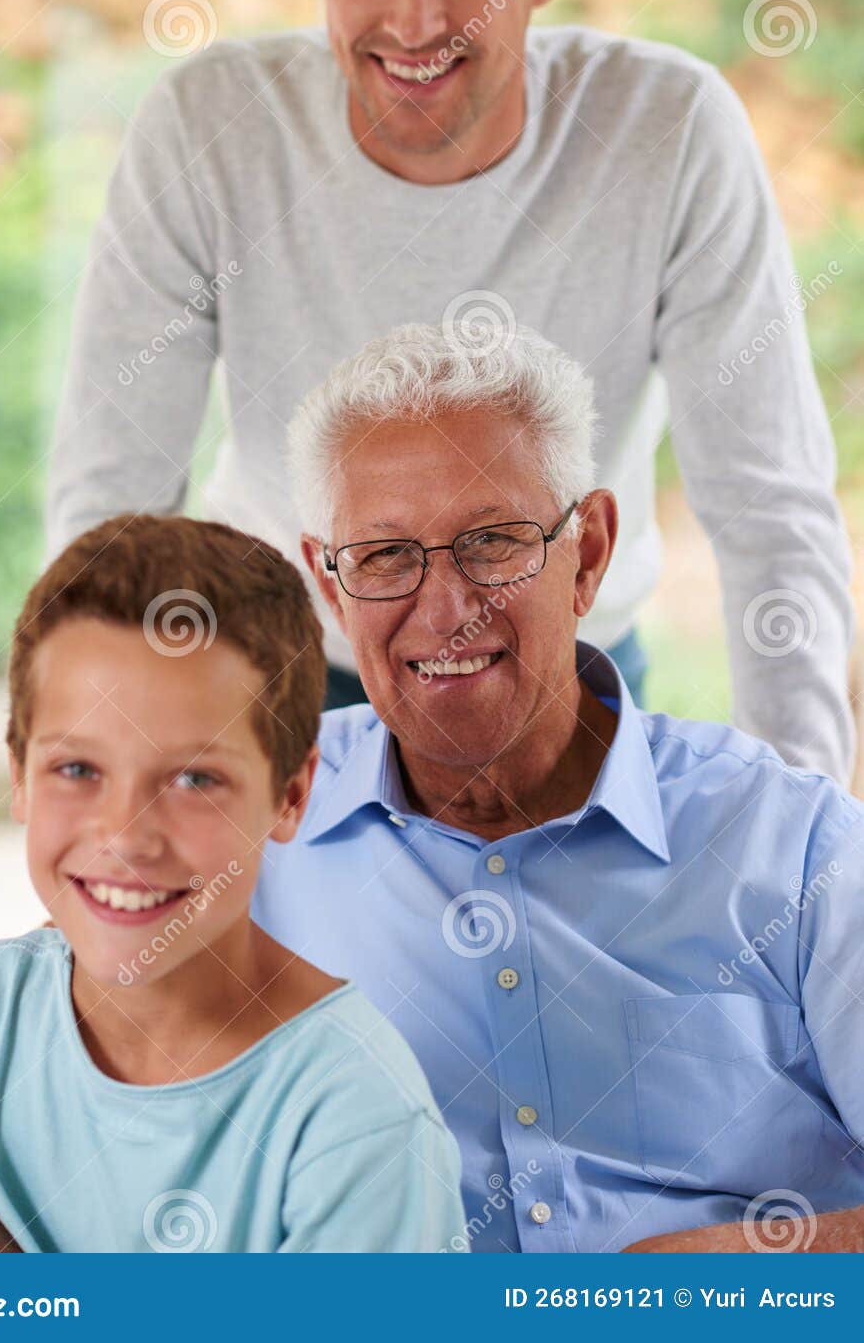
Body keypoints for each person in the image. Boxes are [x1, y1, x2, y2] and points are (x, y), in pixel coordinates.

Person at [45, 0, 854, 780]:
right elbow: (113, 508)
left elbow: (769, 511)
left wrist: (804, 833)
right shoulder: (211, 129)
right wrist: (97, 774)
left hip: (564, 683)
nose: (414, 19)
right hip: (291, 687)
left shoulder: (669, 132)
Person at [249, 321, 864, 1254]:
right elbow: (42, 1072)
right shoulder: (241, 823)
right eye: (384, 558)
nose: (447, 608)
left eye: (493, 542)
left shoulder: (800, 847)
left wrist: (756, 1265)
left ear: (589, 552)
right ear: (331, 591)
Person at [0, 515, 467, 1254]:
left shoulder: (355, 1114)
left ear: (290, 794)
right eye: (77, 770)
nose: (125, 835)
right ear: (19, 772)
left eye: (194, 778)